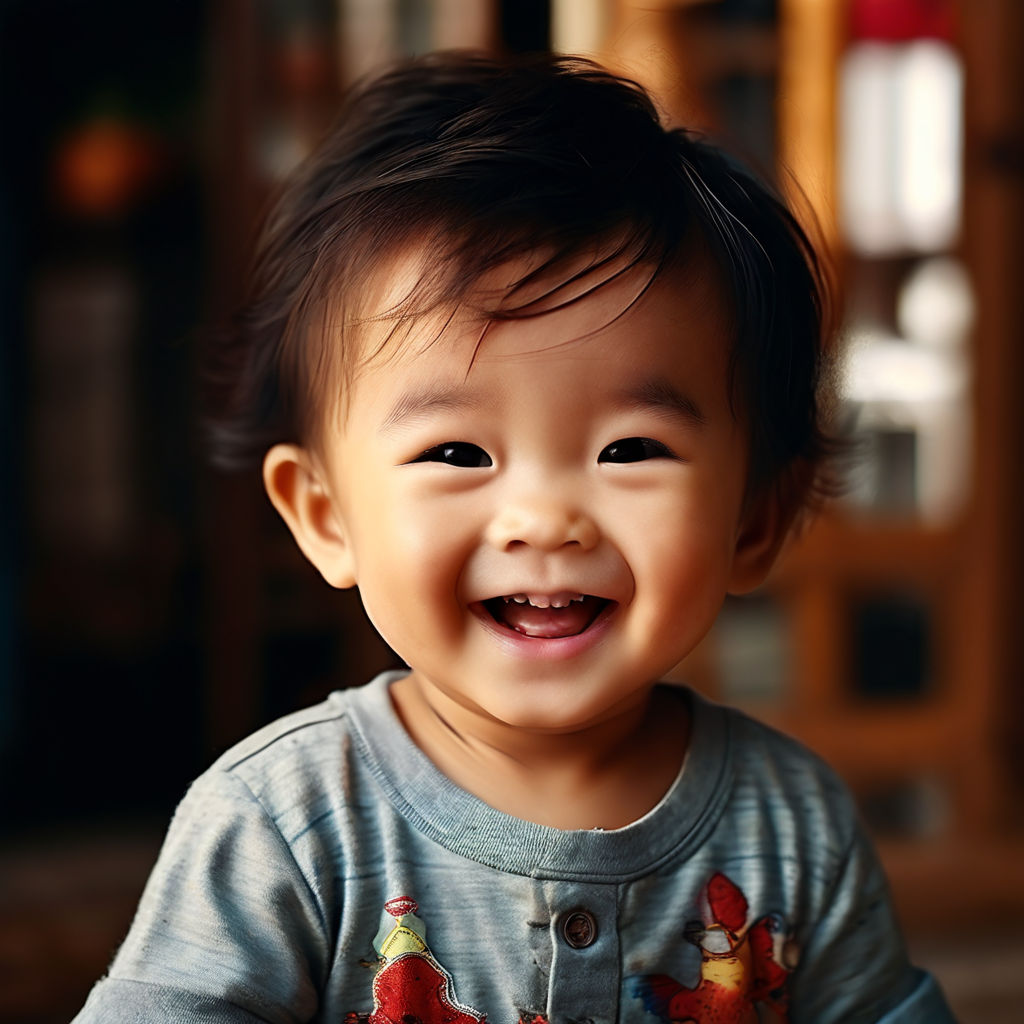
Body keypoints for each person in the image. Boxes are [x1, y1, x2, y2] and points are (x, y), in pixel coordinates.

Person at [73, 52, 955, 1023]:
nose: (542, 518)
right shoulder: (285, 823)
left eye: (629, 449)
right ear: (325, 515)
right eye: (456, 451)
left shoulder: (793, 824)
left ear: (754, 518)